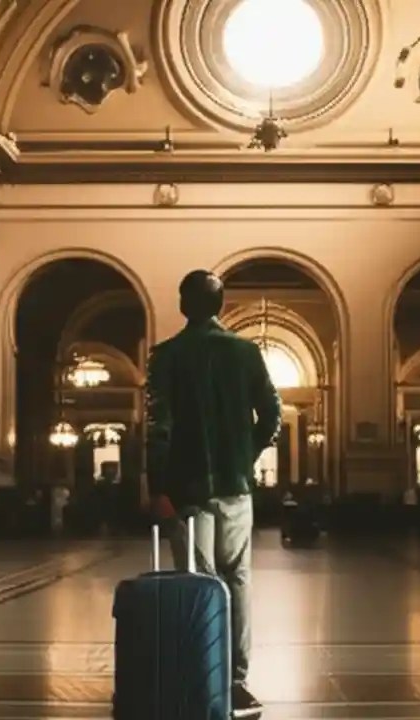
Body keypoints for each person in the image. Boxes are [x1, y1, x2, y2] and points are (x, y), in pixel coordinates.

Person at [144, 269, 282, 718]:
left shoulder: (165, 357)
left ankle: (199, 673)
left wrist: (156, 486)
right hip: (235, 488)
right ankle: (237, 682)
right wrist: (245, 455)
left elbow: (159, 428)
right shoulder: (246, 352)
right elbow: (272, 416)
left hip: (186, 492)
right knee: (237, 581)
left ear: (184, 304)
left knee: (197, 583)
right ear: (221, 306)